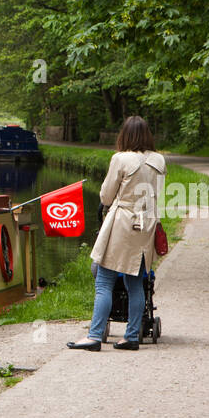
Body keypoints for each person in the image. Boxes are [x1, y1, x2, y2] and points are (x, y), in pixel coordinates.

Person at [67, 115, 165, 351]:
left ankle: (94, 336)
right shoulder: (159, 161)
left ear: (125, 135)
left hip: (123, 223)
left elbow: (106, 196)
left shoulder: (120, 159)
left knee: (104, 280)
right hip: (147, 223)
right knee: (135, 282)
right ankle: (131, 336)